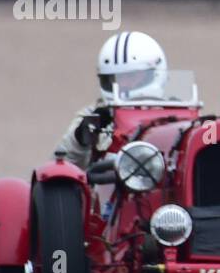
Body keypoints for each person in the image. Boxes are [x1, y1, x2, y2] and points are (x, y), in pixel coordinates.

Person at [56, 31, 168, 169]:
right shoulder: (94, 115)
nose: (125, 84)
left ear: (154, 74)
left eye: (132, 76)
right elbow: (60, 166)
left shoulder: (175, 113)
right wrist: (80, 138)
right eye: (116, 78)